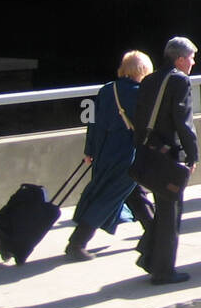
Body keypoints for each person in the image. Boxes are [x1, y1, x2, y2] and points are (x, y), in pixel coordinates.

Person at [66, 50, 155, 261]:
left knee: (135, 193)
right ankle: (77, 243)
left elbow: (92, 122)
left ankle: (154, 233)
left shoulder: (106, 90)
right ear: (143, 70)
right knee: (108, 197)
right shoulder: (140, 93)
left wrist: (90, 151)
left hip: (106, 151)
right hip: (127, 153)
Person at [133, 37, 199, 285]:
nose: (193, 62)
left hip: (150, 152)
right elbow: (184, 122)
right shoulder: (180, 81)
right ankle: (163, 271)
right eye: (191, 57)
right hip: (171, 155)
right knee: (171, 213)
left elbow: (139, 118)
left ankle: (151, 258)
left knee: (162, 210)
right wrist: (193, 155)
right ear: (180, 59)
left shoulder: (150, 79)